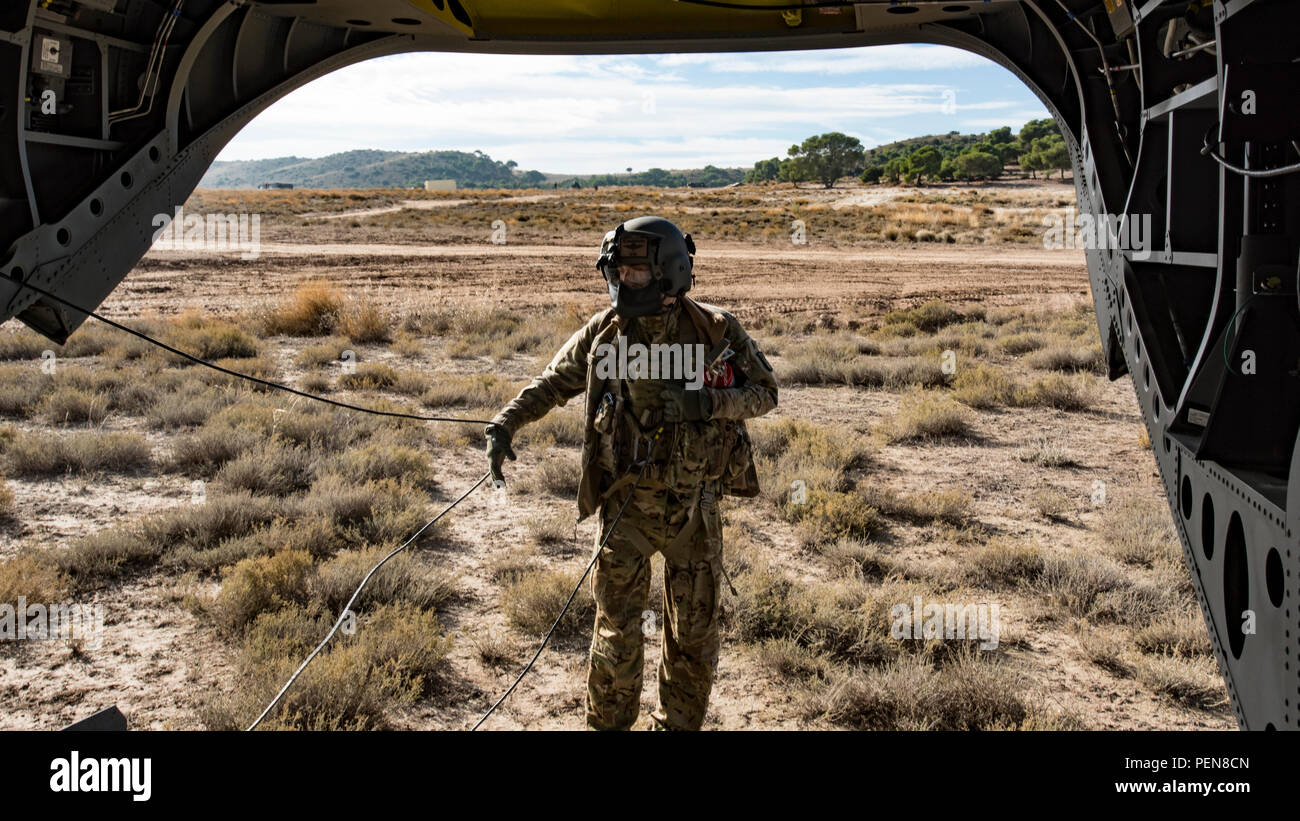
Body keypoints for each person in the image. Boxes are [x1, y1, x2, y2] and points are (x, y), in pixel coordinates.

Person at [484, 215, 778, 730]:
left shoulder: (715, 330)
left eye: (635, 272)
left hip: (696, 513)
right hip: (626, 511)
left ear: (669, 273)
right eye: (617, 271)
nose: (623, 281)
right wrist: (506, 422)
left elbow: (766, 394)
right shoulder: (606, 332)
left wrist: (708, 402)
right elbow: (555, 382)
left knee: (693, 640)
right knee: (616, 635)